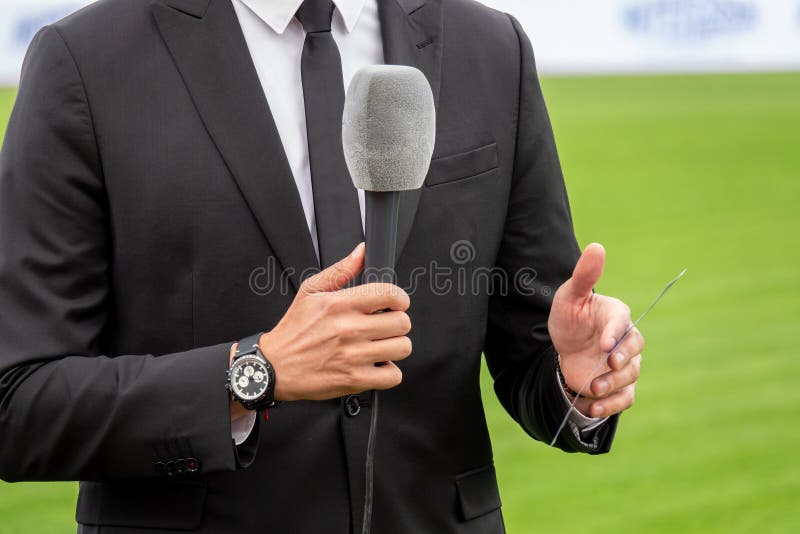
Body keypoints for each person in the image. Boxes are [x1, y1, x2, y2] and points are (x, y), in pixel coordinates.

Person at [0, 0, 644, 532]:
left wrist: (574, 378)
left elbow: (534, 352)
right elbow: (18, 400)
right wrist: (253, 373)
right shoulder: (85, 62)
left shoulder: (490, 47)